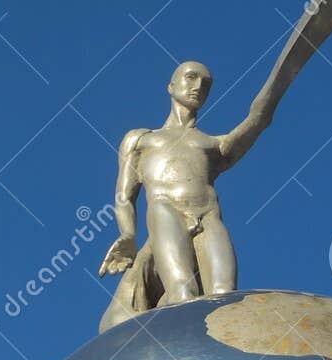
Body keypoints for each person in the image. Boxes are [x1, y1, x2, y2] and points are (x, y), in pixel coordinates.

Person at [97, 60, 276, 331]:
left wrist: (278, 85)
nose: (198, 87)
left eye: (206, 84)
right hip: (165, 211)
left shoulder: (214, 145)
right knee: (183, 295)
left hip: (208, 217)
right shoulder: (141, 139)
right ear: (171, 86)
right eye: (191, 78)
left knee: (224, 299)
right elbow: (124, 196)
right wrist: (128, 235)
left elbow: (258, 119)